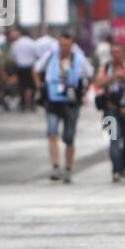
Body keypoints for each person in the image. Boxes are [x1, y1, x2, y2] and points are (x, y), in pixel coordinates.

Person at [35, 29, 89, 184]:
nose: (64, 47)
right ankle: (55, 166)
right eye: (61, 44)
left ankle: (68, 168)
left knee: (69, 138)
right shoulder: (50, 56)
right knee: (52, 133)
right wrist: (40, 87)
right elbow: (36, 69)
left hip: (71, 102)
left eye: (67, 45)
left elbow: (89, 75)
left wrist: (84, 91)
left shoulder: (79, 59)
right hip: (52, 100)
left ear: (72, 45)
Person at [94, 40, 125, 183]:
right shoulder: (106, 67)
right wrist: (115, 76)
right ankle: (116, 171)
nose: (116, 55)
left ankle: (123, 166)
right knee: (114, 140)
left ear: (124, 53)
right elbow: (98, 83)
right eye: (113, 52)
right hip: (111, 110)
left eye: (119, 52)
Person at [7, 28, 41, 111]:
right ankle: (32, 103)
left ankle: (23, 104)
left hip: (20, 67)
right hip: (31, 67)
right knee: (32, 86)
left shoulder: (16, 43)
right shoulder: (33, 43)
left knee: (22, 86)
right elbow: (38, 55)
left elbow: (11, 56)